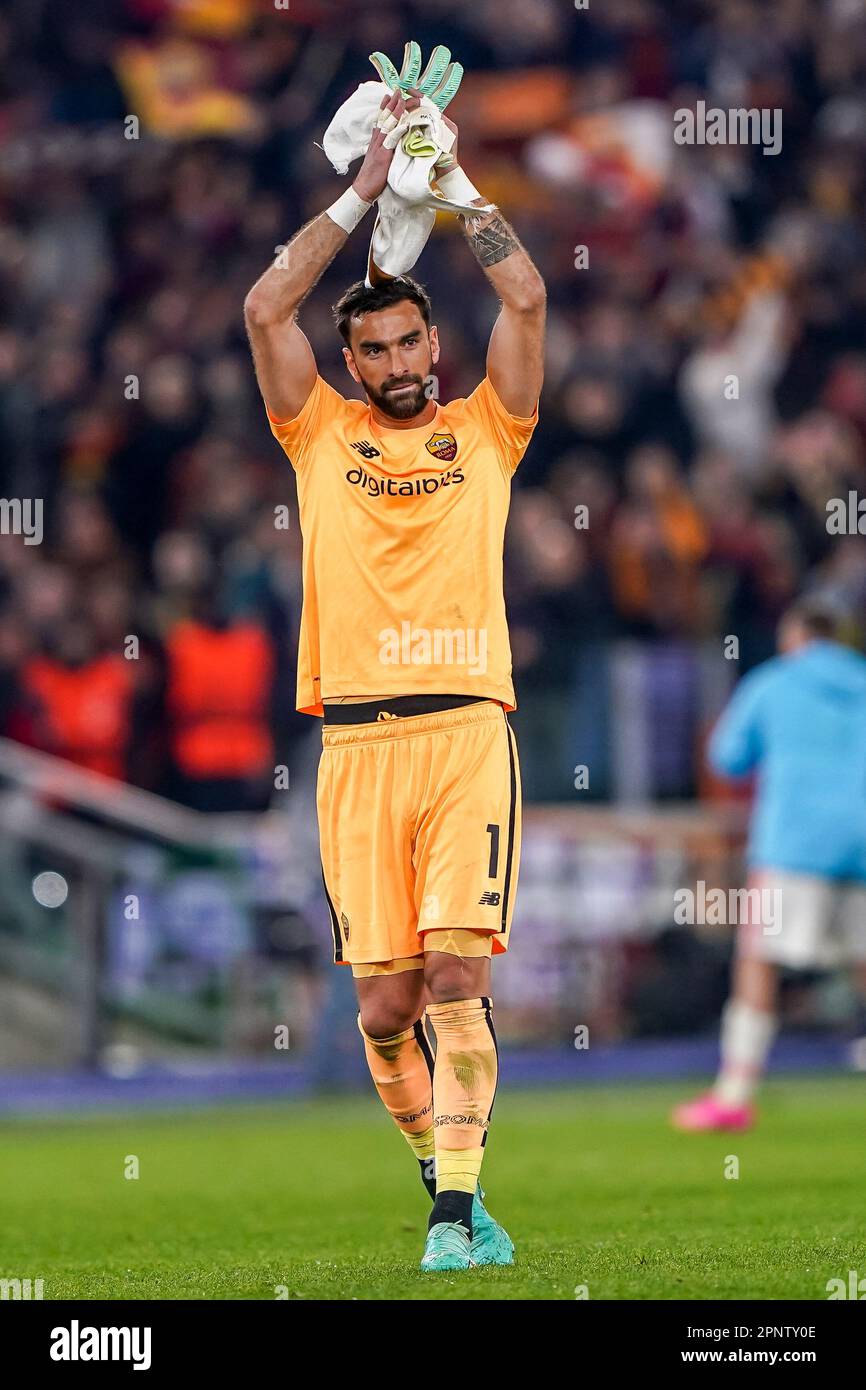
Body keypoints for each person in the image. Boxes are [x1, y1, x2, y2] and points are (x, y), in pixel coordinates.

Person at [244, 87, 545, 1269]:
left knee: (458, 974)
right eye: (369, 348)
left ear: (435, 344)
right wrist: (366, 190)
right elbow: (265, 304)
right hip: (357, 745)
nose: (393, 361)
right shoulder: (316, 432)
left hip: (466, 729)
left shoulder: (489, 431)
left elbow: (524, 292)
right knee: (383, 1008)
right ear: (351, 360)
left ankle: (454, 1214)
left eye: (408, 341)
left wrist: (452, 181)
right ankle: (444, 1171)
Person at [673, 599, 866, 1132]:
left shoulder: (774, 683)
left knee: (759, 958)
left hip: (796, 841)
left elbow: (727, 756)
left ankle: (734, 1094)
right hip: (863, 840)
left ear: (797, 636)